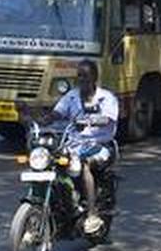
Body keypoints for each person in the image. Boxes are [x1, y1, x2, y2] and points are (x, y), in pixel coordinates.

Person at [40, 59, 119, 235]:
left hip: (100, 145)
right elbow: (59, 112)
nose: (81, 80)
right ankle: (60, 205)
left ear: (94, 78)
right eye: (79, 76)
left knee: (83, 165)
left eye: (85, 76)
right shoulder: (72, 96)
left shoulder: (106, 98)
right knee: (50, 160)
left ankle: (91, 215)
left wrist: (91, 120)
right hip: (73, 144)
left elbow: (108, 118)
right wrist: (47, 118)